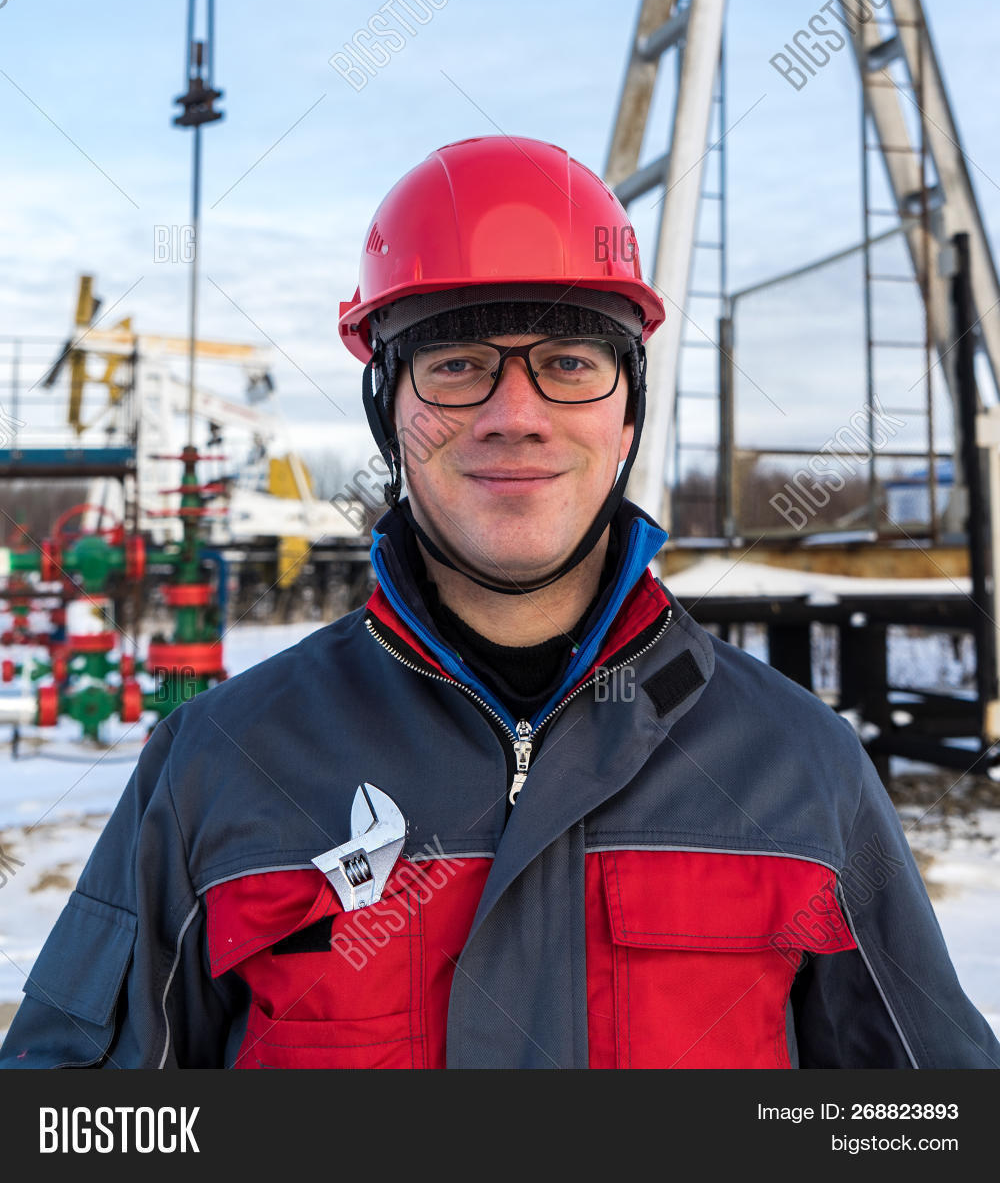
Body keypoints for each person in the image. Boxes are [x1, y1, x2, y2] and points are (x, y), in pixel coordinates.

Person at [2, 135, 997, 1070]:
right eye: (456, 364)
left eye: (568, 361)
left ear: (625, 413)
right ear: (388, 410)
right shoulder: (218, 765)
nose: (513, 415)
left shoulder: (798, 770)